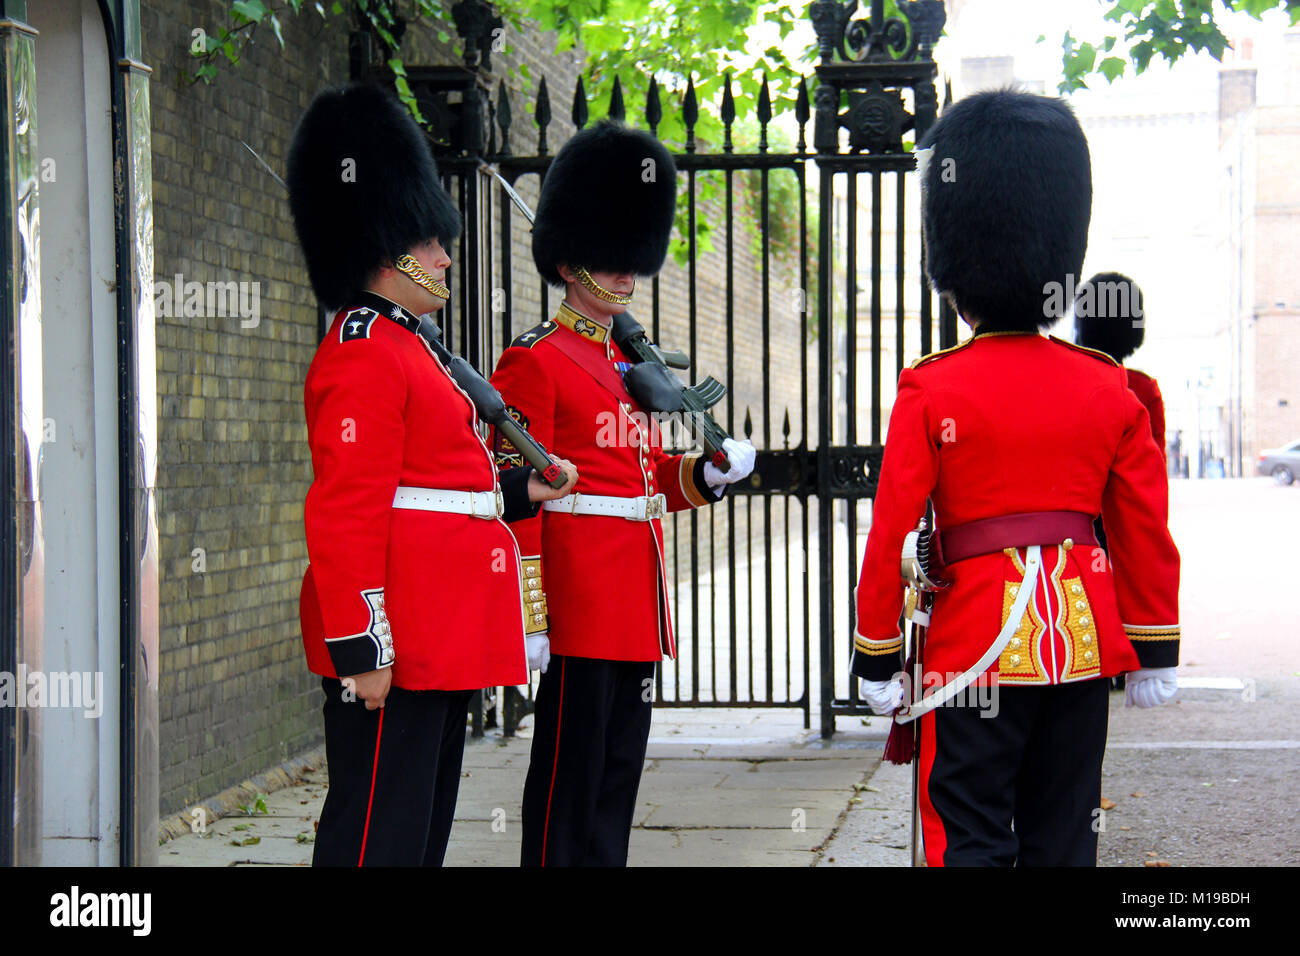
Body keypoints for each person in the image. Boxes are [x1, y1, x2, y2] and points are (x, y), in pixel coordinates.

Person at [852, 90, 1181, 867]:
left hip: (974, 646)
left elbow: (893, 527)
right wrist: (1156, 643)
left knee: (966, 832)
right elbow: (1142, 526)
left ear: (955, 280)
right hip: (1081, 645)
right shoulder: (1109, 388)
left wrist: (875, 650)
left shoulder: (933, 387)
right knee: (1064, 835)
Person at [287, 83, 576, 866]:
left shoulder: (412, 346)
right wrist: (362, 647)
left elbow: (442, 488)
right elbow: (346, 510)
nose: (445, 257)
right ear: (385, 245)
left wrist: (523, 491)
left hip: (440, 639)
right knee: (375, 838)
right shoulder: (362, 350)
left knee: (415, 838)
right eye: (429, 243)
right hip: (399, 641)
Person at [489, 120, 756, 866]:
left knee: (614, 785)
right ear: (571, 264)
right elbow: (520, 492)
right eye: (611, 261)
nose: (627, 275)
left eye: (631, 259)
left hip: (635, 602)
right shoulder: (534, 360)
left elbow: (642, 483)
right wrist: (532, 612)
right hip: (577, 605)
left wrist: (708, 474)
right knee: (567, 790)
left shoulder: (624, 361)